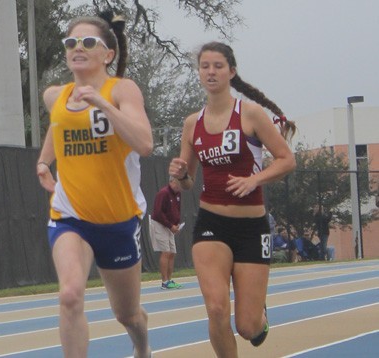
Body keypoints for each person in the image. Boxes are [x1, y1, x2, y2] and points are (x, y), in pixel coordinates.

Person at [35, 10, 153, 358]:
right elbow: (59, 126)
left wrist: (102, 103)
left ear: (108, 54)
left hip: (118, 219)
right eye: (71, 42)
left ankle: (142, 347)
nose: (78, 48)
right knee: (70, 295)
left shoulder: (122, 90)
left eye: (88, 42)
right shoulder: (55, 95)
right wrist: (44, 161)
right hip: (70, 215)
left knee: (127, 314)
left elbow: (144, 144)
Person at [169, 41, 297, 356]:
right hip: (211, 224)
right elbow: (187, 182)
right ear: (199, 72)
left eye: (218, 66)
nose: (211, 72)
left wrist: (254, 179)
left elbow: (286, 159)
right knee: (215, 308)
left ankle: (259, 316)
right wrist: (181, 173)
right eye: (205, 66)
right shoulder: (192, 123)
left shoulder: (250, 113)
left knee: (247, 328)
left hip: (251, 227)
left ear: (231, 71)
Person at [150, 177, 183, 289]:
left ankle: (169, 280)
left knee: (172, 252)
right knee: (166, 252)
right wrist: (170, 226)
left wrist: (176, 224)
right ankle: (164, 282)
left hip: (170, 225)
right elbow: (158, 213)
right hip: (160, 224)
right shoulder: (163, 193)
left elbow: (177, 210)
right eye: (178, 184)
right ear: (172, 182)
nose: (179, 187)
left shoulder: (178, 194)